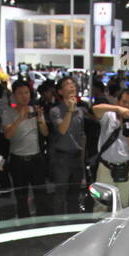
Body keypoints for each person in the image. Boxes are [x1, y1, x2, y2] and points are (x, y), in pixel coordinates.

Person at [0, 80, 48, 218]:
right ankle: (24, 223)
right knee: (21, 196)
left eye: (26, 92)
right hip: (18, 160)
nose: (24, 96)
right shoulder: (8, 113)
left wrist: (40, 118)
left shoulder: (35, 110)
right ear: (14, 95)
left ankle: (42, 222)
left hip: (36, 159)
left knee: (40, 193)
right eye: (20, 93)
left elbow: (45, 133)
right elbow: (8, 135)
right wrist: (20, 118)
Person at [92, 88, 129, 209]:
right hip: (105, 168)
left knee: (123, 207)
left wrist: (127, 127)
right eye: (124, 102)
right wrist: (117, 109)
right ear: (118, 102)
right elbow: (95, 109)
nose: (127, 106)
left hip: (125, 169)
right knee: (101, 207)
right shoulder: (108, 116)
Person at [46, 76, 90, 214]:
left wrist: (82, 159)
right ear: (60, 91)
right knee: (60, 193)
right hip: (62, 158)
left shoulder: (80, 110)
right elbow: (62, 129)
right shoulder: (56, 111)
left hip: (77, 157)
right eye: (67, 84)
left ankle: (73, 223)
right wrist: (70, 110)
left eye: (73, 84)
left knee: (75, 194)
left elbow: (82, 136)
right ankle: (57, 226)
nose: (72, 86)